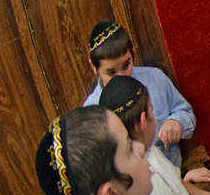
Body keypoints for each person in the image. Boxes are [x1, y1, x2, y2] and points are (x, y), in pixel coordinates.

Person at [82, 20, 195, 170]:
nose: (122, 76)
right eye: (111, 72)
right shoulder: (91, 112)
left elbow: (187, 113)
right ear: (94, 67)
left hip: (177, 175)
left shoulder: (156, 79)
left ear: (132, 53)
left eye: (126, 65)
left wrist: (176, 122)